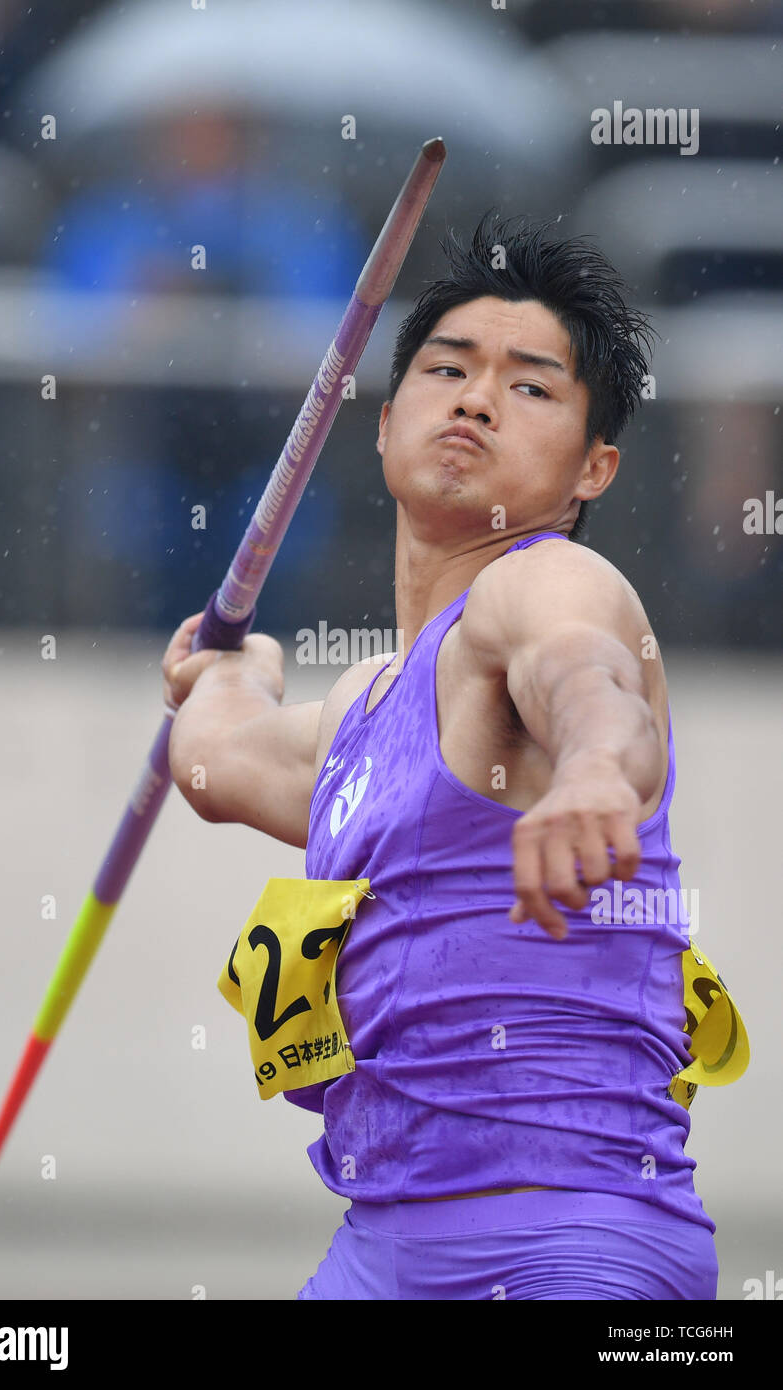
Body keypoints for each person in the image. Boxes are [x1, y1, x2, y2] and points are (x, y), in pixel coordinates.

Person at [161, 213, 720, 1300]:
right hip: (381, 1250)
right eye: (447, 369)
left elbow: (583, 670)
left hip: (575, 1244)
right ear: (382, 426)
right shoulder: (365, 707)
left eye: (529, 388)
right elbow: (216, 765)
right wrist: (231, 669)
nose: (472, 398)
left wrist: (598, 769)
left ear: (593, 465)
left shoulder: (542, 583)